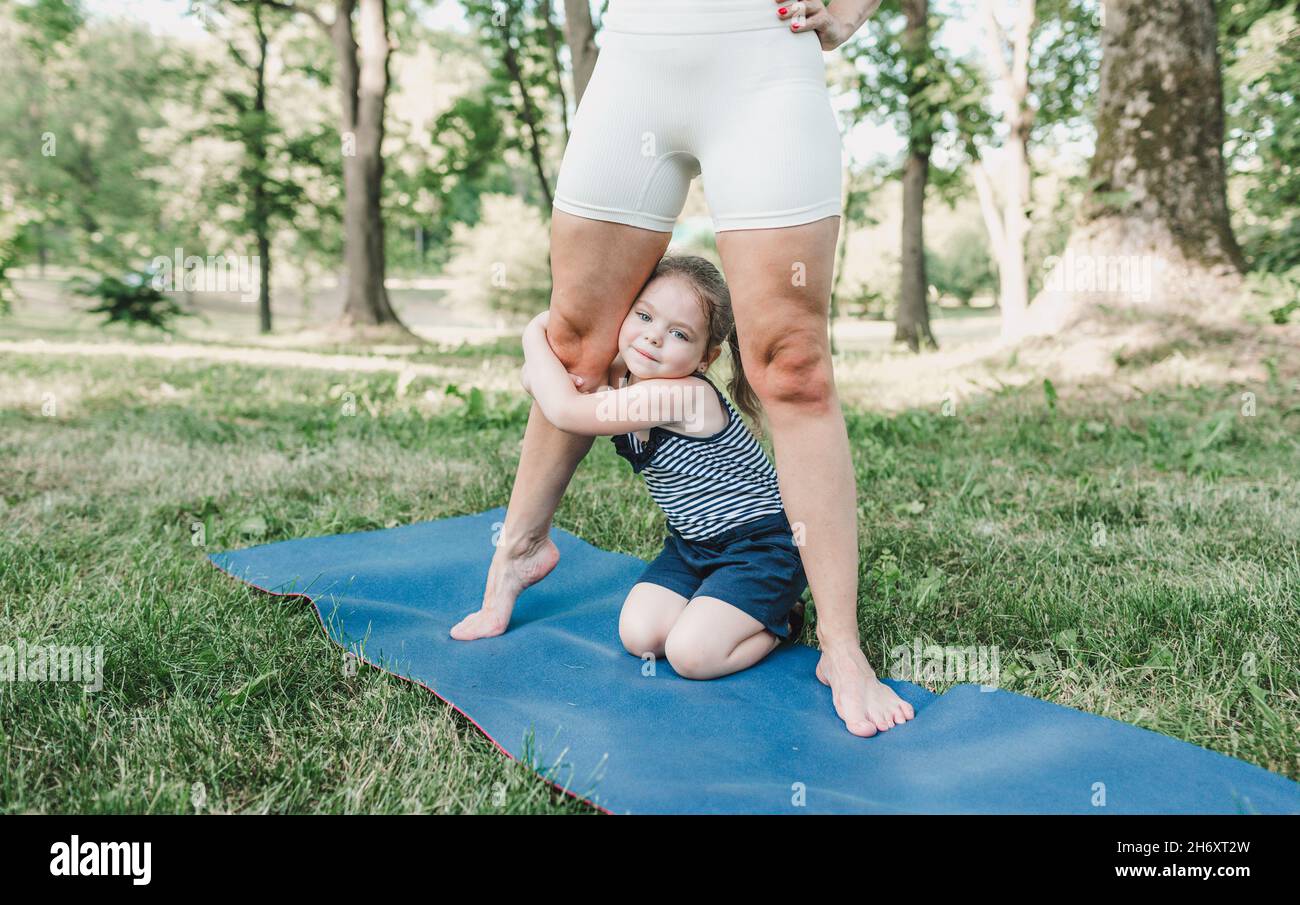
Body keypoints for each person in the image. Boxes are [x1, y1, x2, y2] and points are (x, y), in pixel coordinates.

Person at [452, 0, 913, 736]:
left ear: (705, 357)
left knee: (791, 364)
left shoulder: (688, 396)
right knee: (579, 343)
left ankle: (840, 643)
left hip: (766, 57)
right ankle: (520, 550)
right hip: (639, 53)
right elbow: (571, 373)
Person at [520, 254, 810, 679]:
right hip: (692, 546)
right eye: (643, 315)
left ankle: (785, 617)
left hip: (760, 548)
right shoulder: (625, 382)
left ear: (704, 358)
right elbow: (543, 385)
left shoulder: (682, 396)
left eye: (678, 333)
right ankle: (719, 604)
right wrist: (549, 383)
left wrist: (535, 330)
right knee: (641, 637)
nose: (653, 337)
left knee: (692, 656)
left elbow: (563, 408)